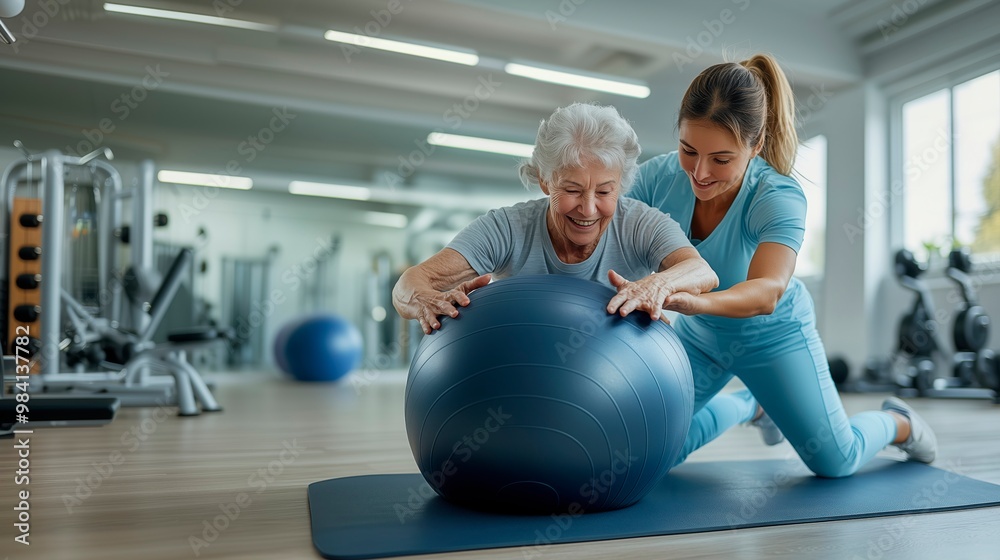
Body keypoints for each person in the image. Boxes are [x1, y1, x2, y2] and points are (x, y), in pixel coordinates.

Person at [628, 53, 937, 477]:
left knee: (836, 462)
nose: (699, 172)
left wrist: (695, 304)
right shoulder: (657, 177)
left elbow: (769, 290)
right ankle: (749, 405)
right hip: (701, 340)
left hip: (773, 338)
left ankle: (899, 424)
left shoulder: (777, 194)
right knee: (644, 454)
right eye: (688, 149)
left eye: (721, 159)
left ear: (754, 146)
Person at [392, 102, 718, 335]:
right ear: (545, 181)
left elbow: (702, 272)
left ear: (622, 186)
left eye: (605, 192)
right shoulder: (507, 228)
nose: (588, 209)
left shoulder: (642, 225)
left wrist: (656, 284)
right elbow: (410, 282)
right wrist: (430, 301)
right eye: (573, 190)